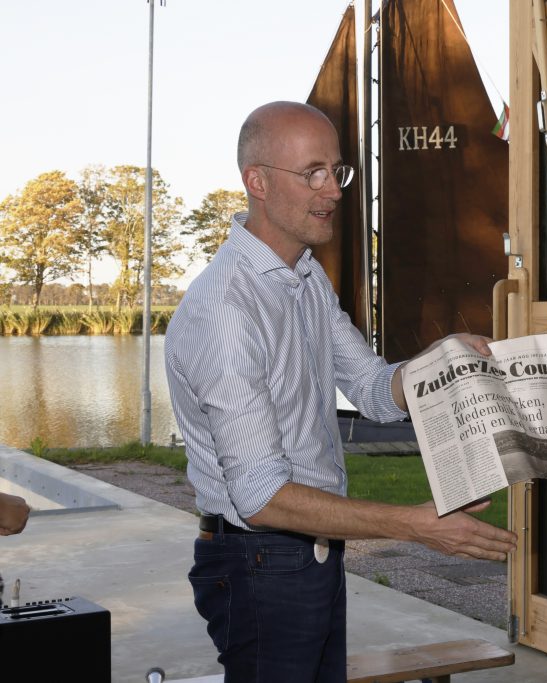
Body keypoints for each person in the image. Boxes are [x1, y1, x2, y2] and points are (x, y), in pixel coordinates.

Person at [165, 101, 517, 682]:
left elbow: (376, 391)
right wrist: (413, 524)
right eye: (314, 173)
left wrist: (440, 358)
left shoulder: (305, 280)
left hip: (310, 555)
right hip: (260, 562)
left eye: (338, 170)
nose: (333, 190)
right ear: (257, 182)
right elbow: (260, 497)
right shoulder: (226, 308)